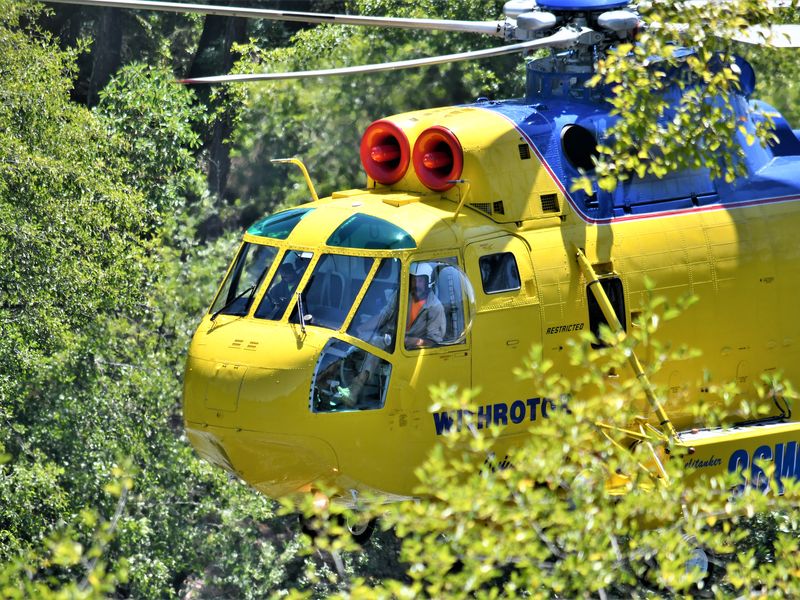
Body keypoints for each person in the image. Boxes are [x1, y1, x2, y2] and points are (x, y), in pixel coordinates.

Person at [404, 262, 446, 349]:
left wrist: (410, 341)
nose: (416, 284)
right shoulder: (402, 296)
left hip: (413, 351)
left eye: (420, 280)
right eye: (413, 280)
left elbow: (434, 343)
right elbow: (384, 315)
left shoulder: (435, 307)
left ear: (428, 282)